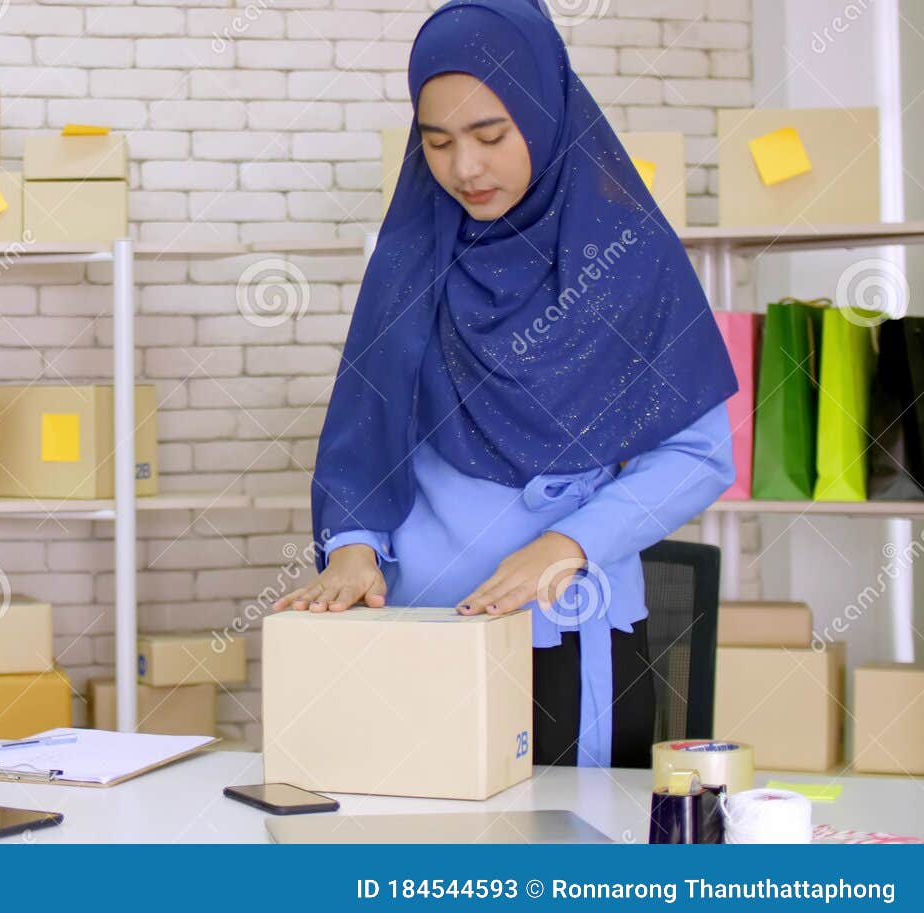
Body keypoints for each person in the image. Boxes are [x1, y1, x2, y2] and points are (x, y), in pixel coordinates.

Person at [272, 0, 739, 770]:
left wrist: (568, 543)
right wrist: (353, 547)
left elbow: (699, 457)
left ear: (546, 114)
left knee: (565, 844)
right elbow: (365, 434)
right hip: (417, 637)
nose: (465, 168)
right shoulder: (408, 260)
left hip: (566, 632)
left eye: (490, 136)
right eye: (438, 142)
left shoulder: (630, 255)